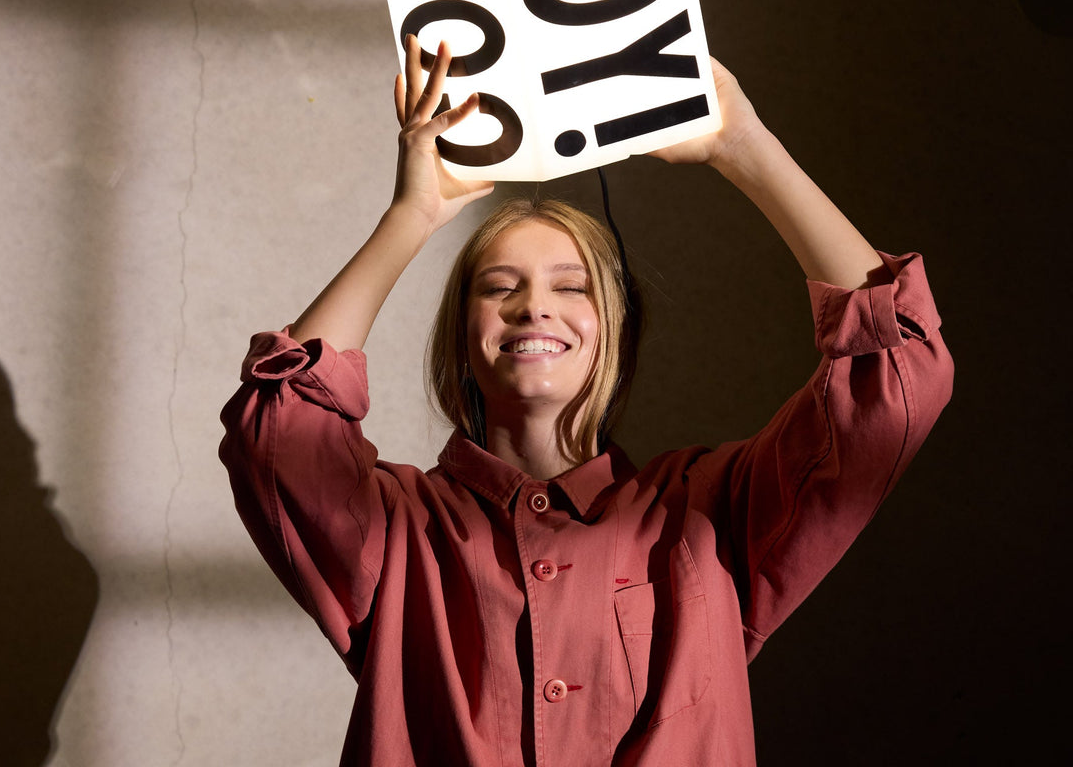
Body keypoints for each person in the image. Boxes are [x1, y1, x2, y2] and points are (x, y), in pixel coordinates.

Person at [219, 37, 953, 766]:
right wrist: (411, 216)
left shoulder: (712, 515)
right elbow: (277, 430)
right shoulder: (395, 532)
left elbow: (896, 370)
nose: (534, 307)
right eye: (498, 287)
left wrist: (744, 147)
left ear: (613, 331)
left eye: (571, 287)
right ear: (461, 335)